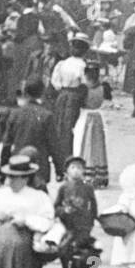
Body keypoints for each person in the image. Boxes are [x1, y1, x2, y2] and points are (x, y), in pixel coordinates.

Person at [49, 34, 90, 175]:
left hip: (62, 95)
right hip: (74, 96)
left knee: (60, 125)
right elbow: (85, 83)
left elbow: (55, 82)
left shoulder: (63, 63)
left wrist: (61, 88)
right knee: (70, 126)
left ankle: (61, 156)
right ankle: (69, 157)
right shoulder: (83, 66)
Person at [73, 62, 111, 188]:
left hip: (85, 117)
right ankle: (99, 175)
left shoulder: (83, 88)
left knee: (83, 144)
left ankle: (86, 174)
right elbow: (109, 99)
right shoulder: (104, 87)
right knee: (98, 146)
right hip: (98, 117)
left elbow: (77, 104)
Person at [54, 156, 98, 250]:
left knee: (82, 245)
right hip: (67, 222)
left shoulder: (88, 188)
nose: (76, 171)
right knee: (66, 245)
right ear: (67, 171)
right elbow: (56, 207)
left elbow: (93, 205)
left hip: (83, 223)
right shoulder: (63, 188)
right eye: (73, 167)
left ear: (83, 171)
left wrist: (92, 219)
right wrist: (64, 211)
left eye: (79, 168)